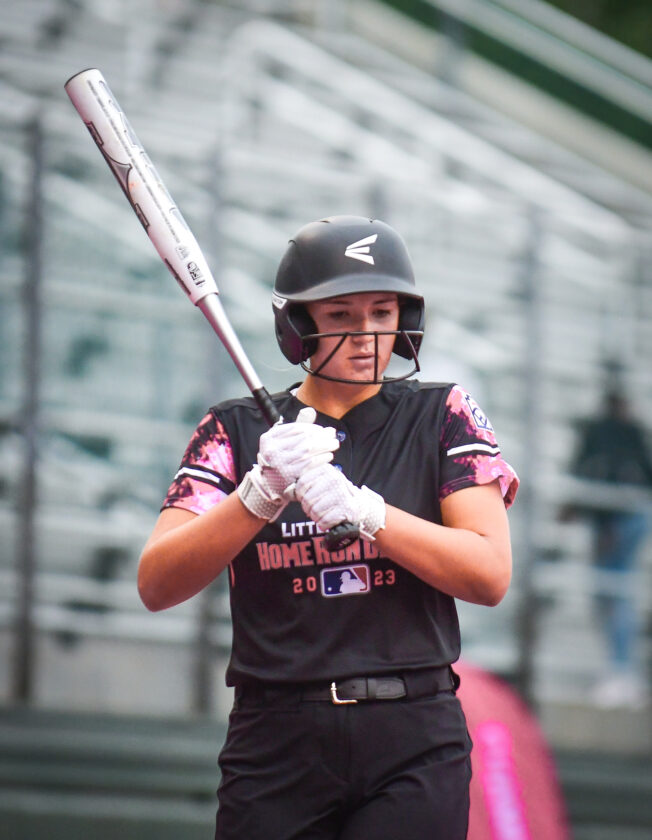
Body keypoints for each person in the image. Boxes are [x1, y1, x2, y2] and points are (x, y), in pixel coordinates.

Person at [138, 215, 519, 840]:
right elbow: (157, 583)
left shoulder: (443, 412)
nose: (367, 334)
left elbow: (488, 574)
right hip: (276, 738)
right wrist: (258, 496)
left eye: (381, 311)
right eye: (341, 315)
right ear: (301, 324)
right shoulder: (234, 431)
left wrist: (370, 514)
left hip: (413, 733)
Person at [567, 384, 652, 707]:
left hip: (621, 521)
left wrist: (608, 524)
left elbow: (614, 478)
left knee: (616, 594)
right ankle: (620, 672)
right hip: (619, 520)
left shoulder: (612, 431)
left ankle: (621, 673)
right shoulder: (623, 430)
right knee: (612, 593)